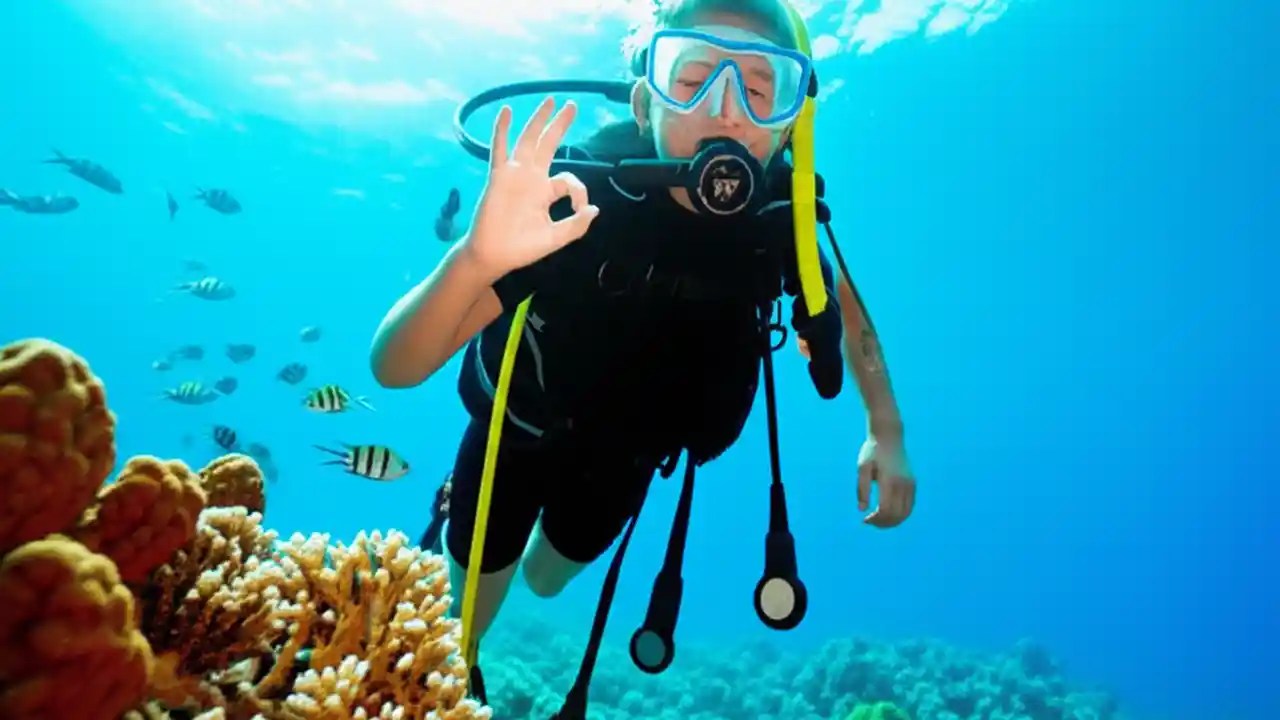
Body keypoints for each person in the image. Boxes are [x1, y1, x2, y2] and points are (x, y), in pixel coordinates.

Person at [371, 0, 916, 711]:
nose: (725, 109)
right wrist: (474, 261)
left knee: (546, 576)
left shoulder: (779, 223)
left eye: (759, 87)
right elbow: (394, 366)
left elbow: (848, 312)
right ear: (644, 98)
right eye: (689, 76)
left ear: (788, 121)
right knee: (464, 623)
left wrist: (887, 428)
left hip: (629, 462)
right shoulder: (575, 200)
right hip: (516, 432)